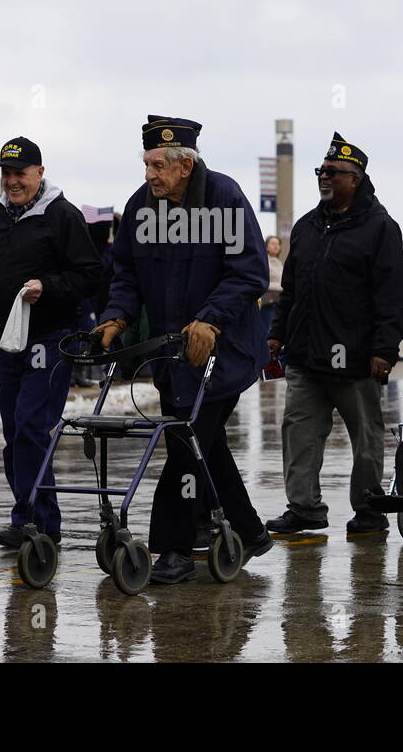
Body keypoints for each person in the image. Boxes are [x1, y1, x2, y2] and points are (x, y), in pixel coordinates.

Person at [95, 116, 273, 584]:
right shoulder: (141, 206)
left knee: (183, 443)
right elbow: (127, 274)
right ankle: (251, 533)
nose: (150, 174)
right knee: (203, 442)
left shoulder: (225, 198)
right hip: (171, 355)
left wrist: (211, 320)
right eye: (147, 164)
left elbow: (249, 273)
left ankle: (172, 548)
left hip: (225, 350)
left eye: (158, 165)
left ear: (185, 166)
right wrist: (116, 316)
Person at [0, 137, 103, 548]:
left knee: (32, 427)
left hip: (50, 336)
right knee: (16, 432)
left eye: (20, 174)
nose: (12, 182)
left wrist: (48, 286)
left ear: (40, 174)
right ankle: (31, 516)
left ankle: (37, 521)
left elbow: (90, 277)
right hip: (6, 340)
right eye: (6, 175)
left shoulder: (62, 216)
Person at [263, 132, 403, 536]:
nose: (324, 177)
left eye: (333, 171)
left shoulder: (380, 228)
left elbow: (392, 296)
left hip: (356, 358)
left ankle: (368, 509)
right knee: (299, 433)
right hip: (306, 355)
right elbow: (291, 289)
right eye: (320, 171)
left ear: (355, 178)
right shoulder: (308, 227)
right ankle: (304, 508)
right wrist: (277, 335)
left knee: (366, 437)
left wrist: (384, 350)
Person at [260, 235, 283, 339]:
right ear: (266, 247)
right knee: (266, 330)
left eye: (278, 244)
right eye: (273, 244)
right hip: (268, 301)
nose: (276, 246)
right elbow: (263, 281)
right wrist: (281, 287)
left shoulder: (279, 263)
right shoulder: (264, 261)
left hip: (279, 301)